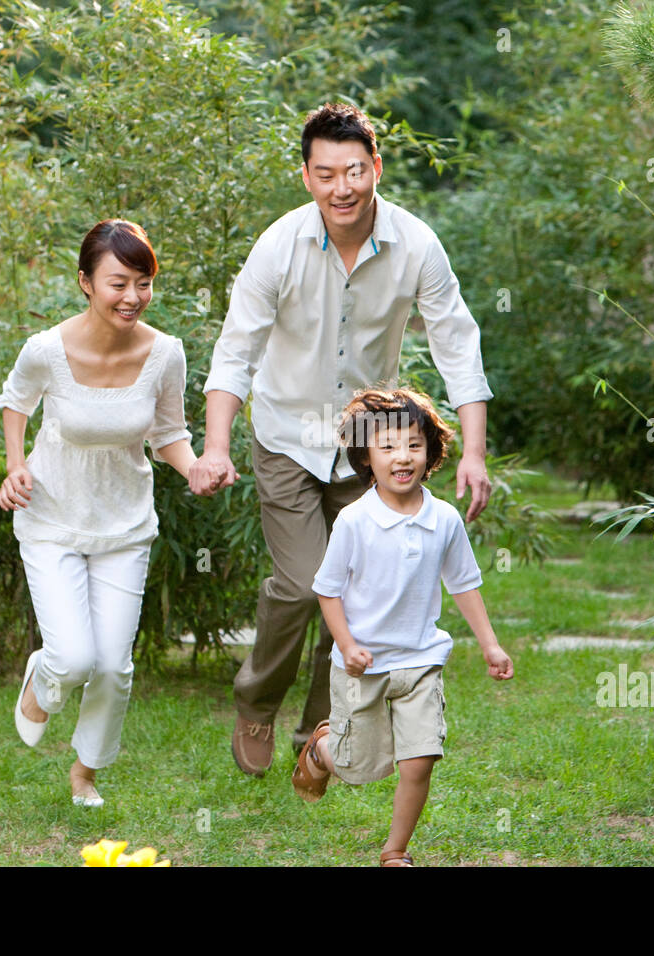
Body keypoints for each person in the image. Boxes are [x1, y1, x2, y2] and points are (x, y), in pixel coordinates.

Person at [188, 102, 495, 776]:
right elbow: (236, 349)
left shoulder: (416, 243)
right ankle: (255, 701)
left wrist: (471, 451)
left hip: (366, 445)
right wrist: (214, 446)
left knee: (354, 598)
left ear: (376, 168)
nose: (342, 187)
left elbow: (457, 344)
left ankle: (317, 728)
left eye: (355, 170)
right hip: (285, 437)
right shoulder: (279, 245)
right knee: (302, 586)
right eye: (326, 173)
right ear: (307, 177)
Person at [0, 219, 195, 807]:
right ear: (85, 282)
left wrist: (196, 468)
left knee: (112, 665)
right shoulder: (47, 350)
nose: (133, 297)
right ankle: (45, 677)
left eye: (143, 283)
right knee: (73, 657)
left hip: (125, 525)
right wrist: (14, 466)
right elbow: (15, 401)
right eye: (118, 283)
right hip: (52, 517)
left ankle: (85, 772)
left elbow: (170, 434)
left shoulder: (165, 354)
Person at [291, 387, 514, 866]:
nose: (402, 456)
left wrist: (491, 646)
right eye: (388, 446)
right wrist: (347, 645)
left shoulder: (444, 519)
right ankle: (324, 748)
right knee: (359, 768)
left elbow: (464, 584)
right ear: (366, 457)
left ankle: (395, 852)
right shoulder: (354, 520)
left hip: (421, 659)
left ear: (431, 451)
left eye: (414, 444)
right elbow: (327, 590)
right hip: (362, 665)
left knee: (419, 760)